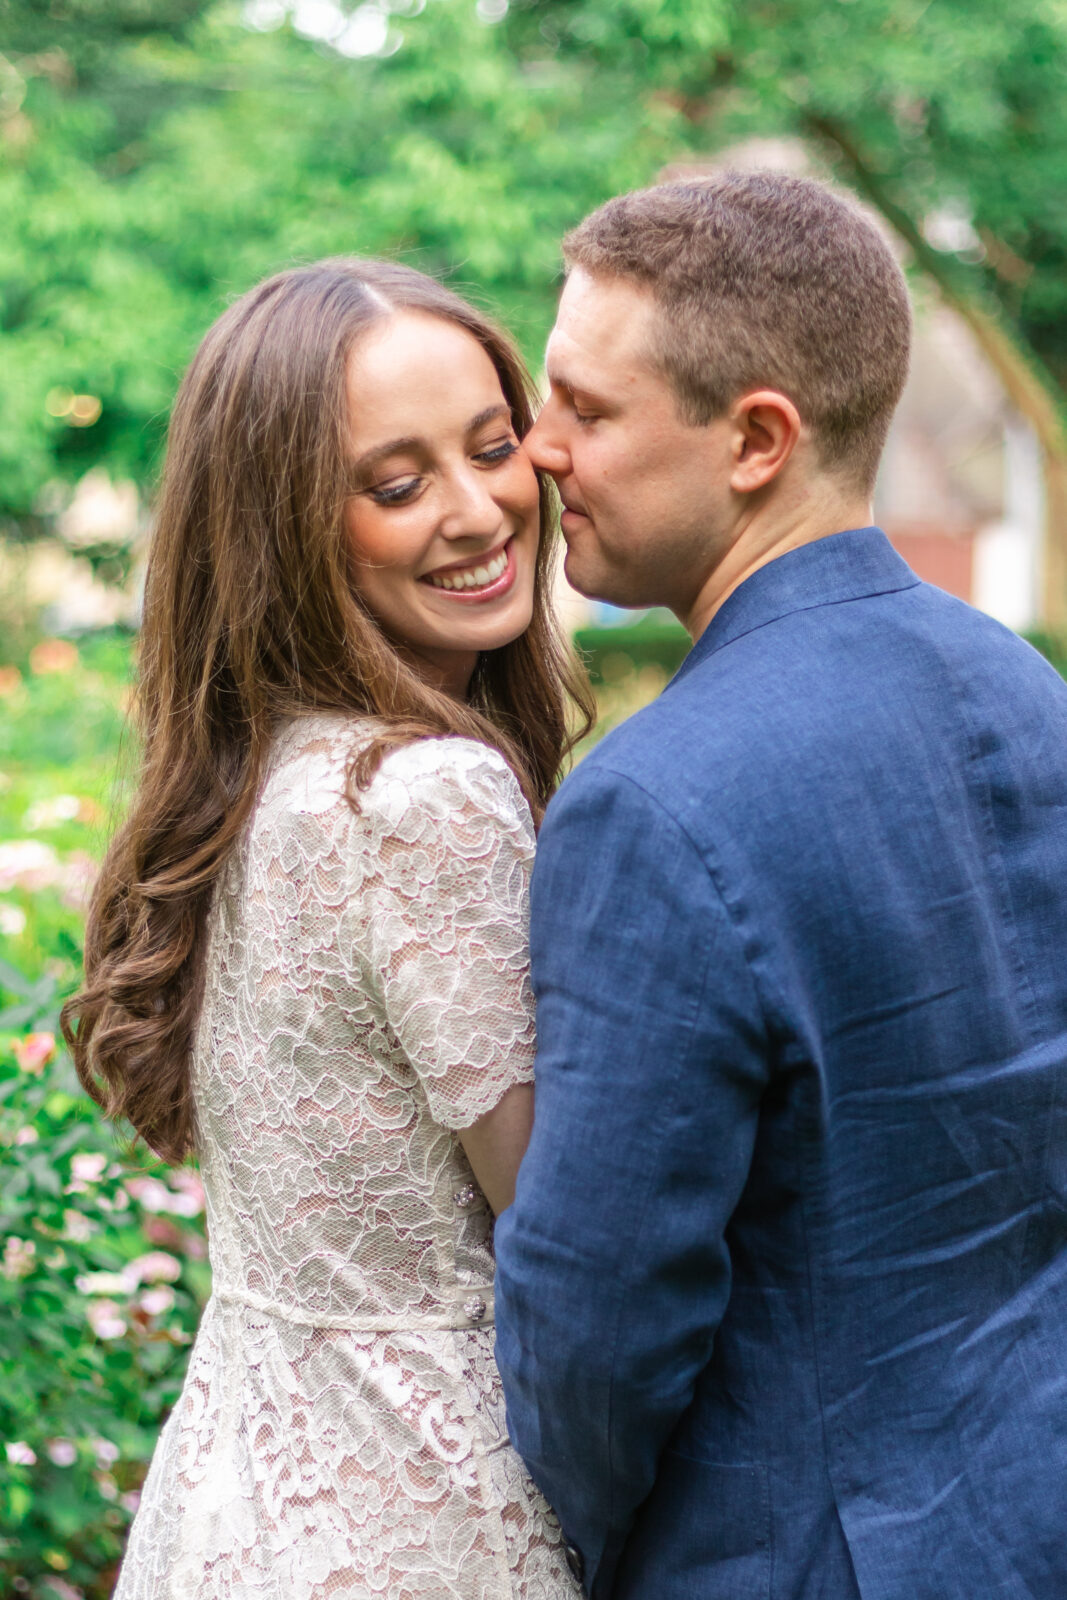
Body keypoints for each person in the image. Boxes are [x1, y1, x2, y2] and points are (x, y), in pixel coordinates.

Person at [493, 171, 1067, 1599]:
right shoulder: (1025, 686)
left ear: (756, 439)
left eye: (590, 409)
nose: (539, 450)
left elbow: (596, 1330)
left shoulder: (653, 806)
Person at [62, 257, 592, 1599]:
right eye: (397, 485)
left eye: (493, 449)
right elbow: (571, 1234)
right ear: (282, 525)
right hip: (429, 1517)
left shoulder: (258, 783)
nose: (479, 512)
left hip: (225, 1509)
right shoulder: (424, 795)